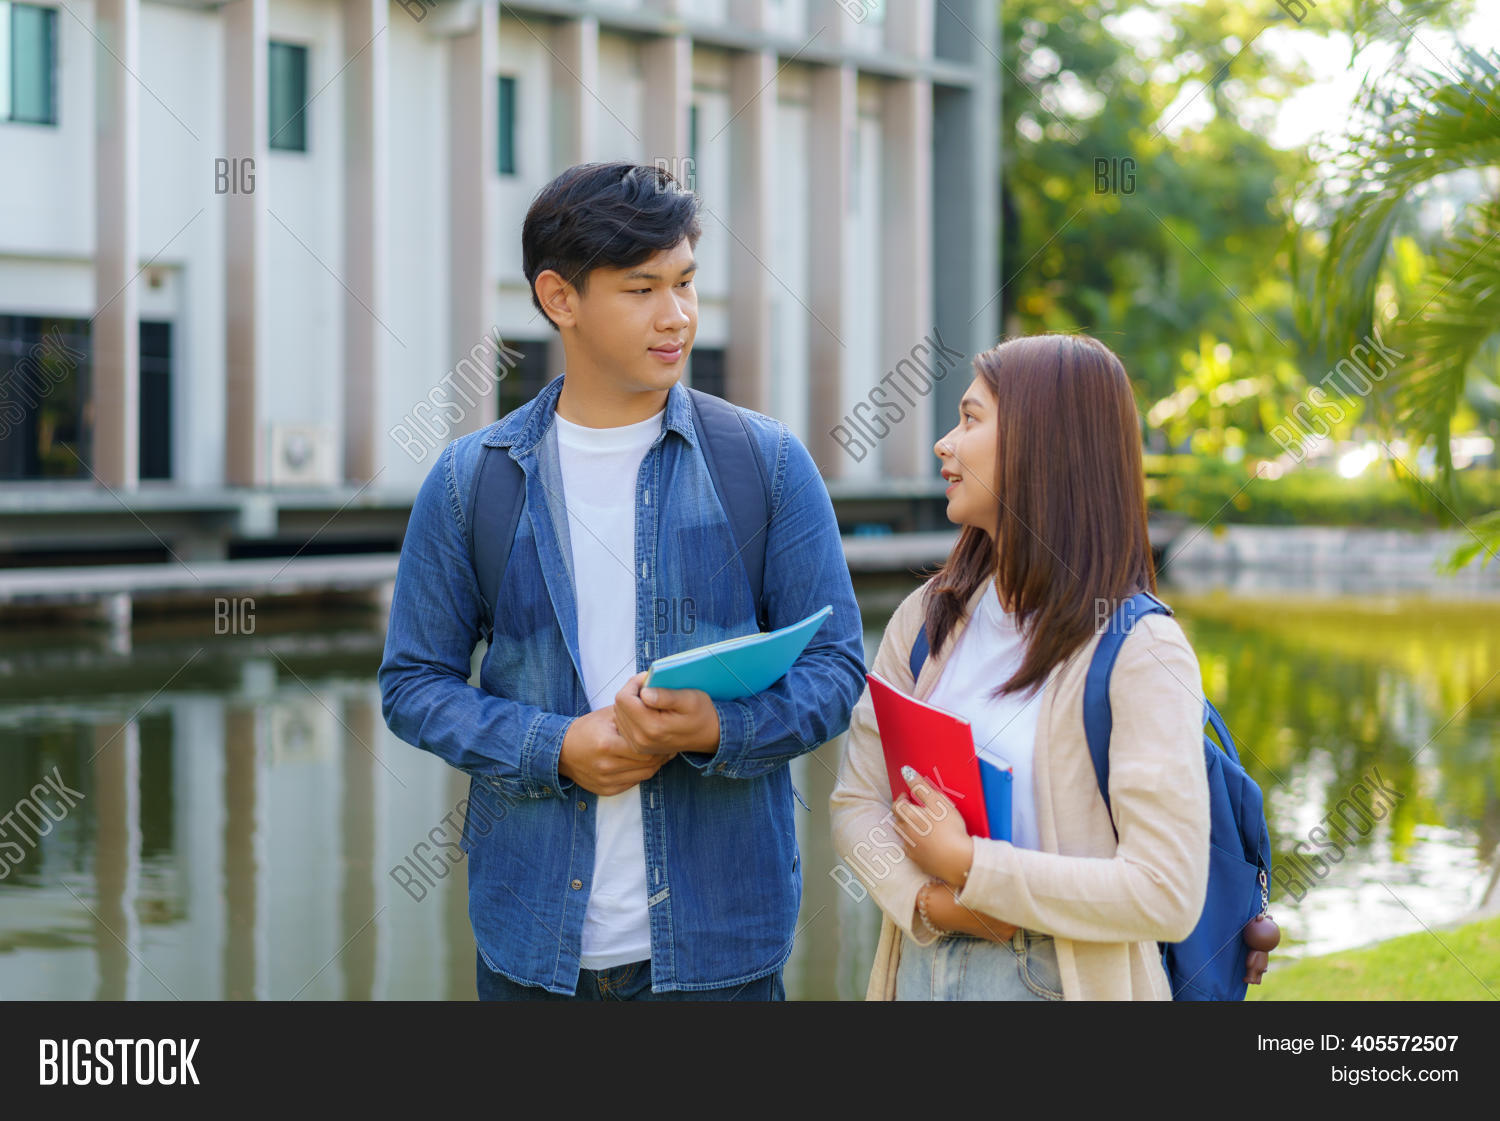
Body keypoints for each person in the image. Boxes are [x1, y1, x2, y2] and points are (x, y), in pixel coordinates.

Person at [380, 161, 865, 1000]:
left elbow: (837, 669)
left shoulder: (767, 464)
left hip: (721, 956)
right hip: (531, 953)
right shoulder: (472, 482)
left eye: (685, 283)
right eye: (642, 289)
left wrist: (716, 726)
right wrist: (556, 748)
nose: (675, 316)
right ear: (560, 298)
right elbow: (413, 684)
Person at [829, 333, 1211, 1000]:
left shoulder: (1139, 648)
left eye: (971, 419)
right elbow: (856, 803)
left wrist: (973, 866)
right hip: (920, 973)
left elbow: (1166, 890)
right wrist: (934, 899)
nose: (945, 443)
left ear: (1045, 445)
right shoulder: (924, 618)